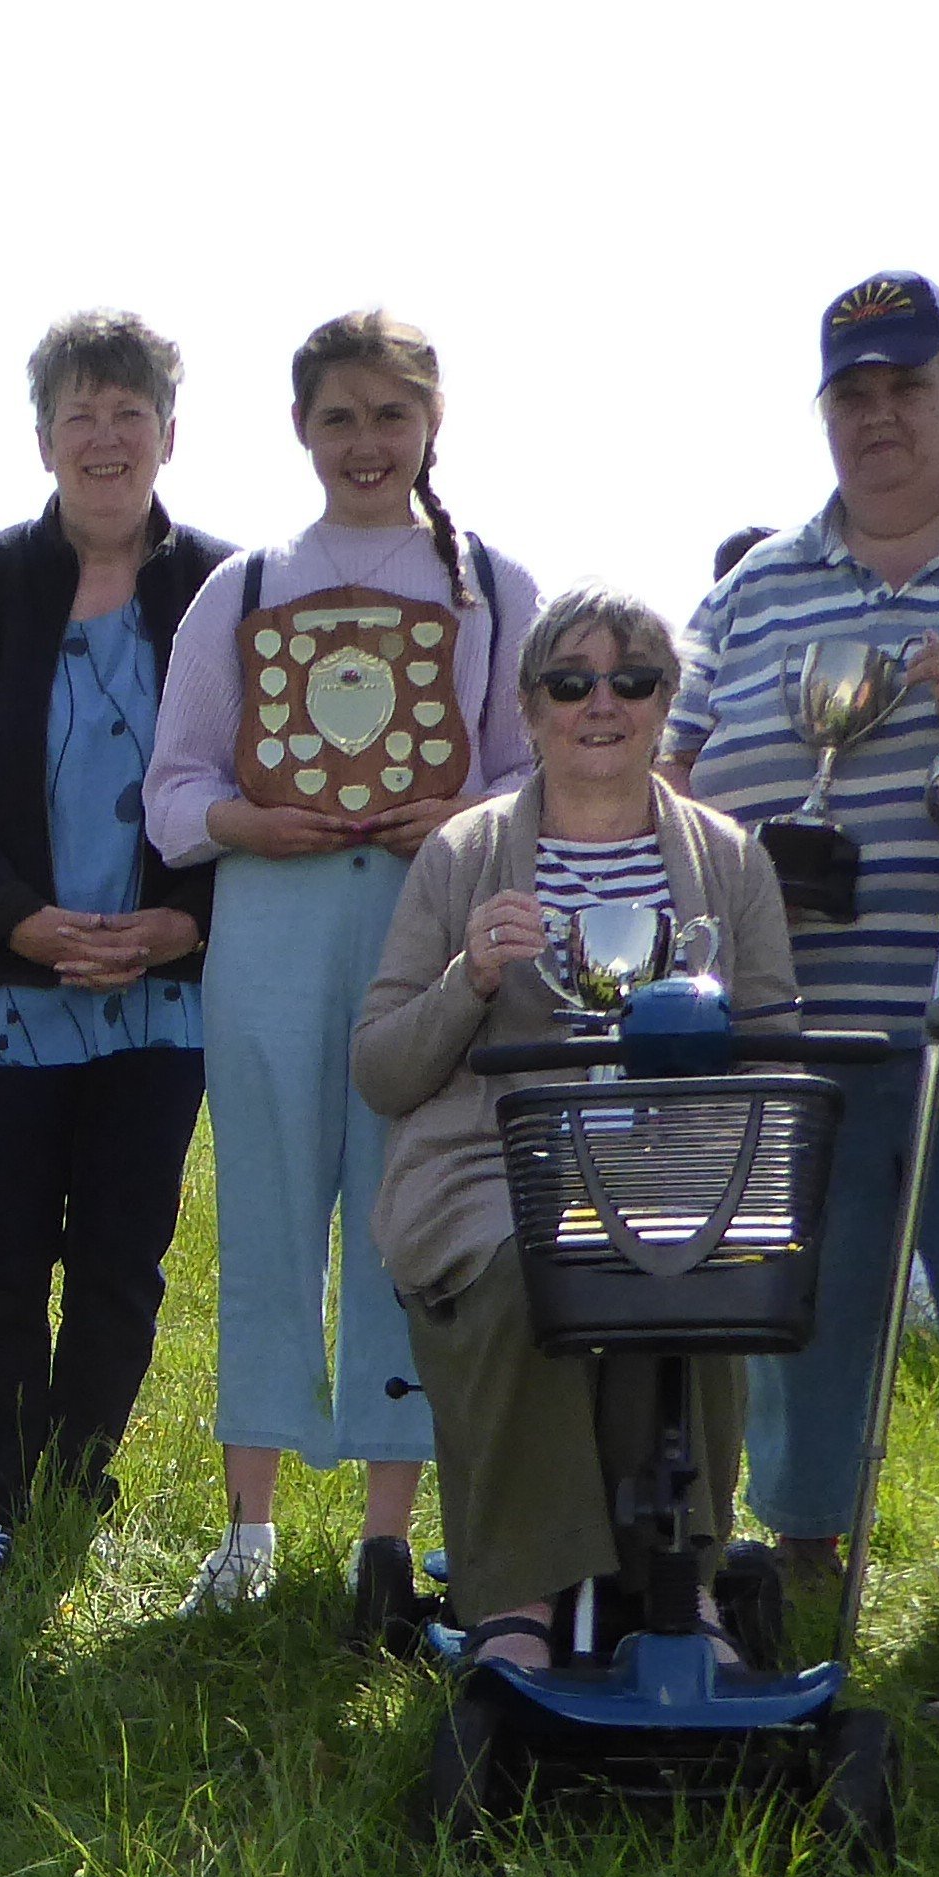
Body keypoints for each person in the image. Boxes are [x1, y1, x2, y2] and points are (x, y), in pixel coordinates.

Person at [663, 272, 939, 1587]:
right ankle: (798, 1553)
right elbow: (666, 781)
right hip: (797, 1028)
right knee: (804, 1308)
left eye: (909, 385)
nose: (880, 414)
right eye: (852, 391)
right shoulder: (753, 591)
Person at [144, 309, 540, 1647]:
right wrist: (248, 823)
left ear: (431, 424)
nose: (364, 442)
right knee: (262, 1215)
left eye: (389, 414)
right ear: (300, 429)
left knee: (406, 1211)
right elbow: (174, 792)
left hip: (427, 933)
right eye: (338, 417)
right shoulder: (245, 588)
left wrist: (460, 821)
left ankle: (387, 1535)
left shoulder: (491, 585)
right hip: (268, 928)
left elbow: (533, 782)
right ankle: (248, 1527)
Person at [353, 587, 794, 1665]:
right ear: (530, 707)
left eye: (633, 679)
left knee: (699, 1263)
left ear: (664, 704)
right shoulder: (462, 855)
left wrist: (709, 1039)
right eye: (571, 680)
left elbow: (780, 1046)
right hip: (491, 1158)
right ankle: (521, 1602)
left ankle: (677, 1586)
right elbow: (381, 1068)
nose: (603, 702)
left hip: (679, 1163)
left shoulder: (732, 859)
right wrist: (470, 978)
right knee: (527, 1260)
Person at [0, 312, 230, 1580]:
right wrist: (15, 918)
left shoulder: (224, 584)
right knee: (1, 1248)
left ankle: (80, 1479)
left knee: (124, 1252)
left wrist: (185, 926)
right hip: (8, 988)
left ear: (167, 434)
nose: (105, 437)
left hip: (167, 990)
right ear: (44, 438)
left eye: (128, 411)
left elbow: (269, 777)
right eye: (80, 414)